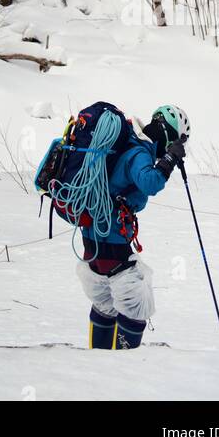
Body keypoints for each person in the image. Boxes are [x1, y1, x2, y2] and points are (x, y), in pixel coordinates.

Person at [79, 104, 189, 350]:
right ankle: (123, 372)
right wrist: (170, 159)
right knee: (135, 309)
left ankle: (98, 364)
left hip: (92, 240)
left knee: (105, 304)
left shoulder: (128, 142)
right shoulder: (138, 152)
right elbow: (150, 182)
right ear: (169, 135)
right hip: (111, 240)